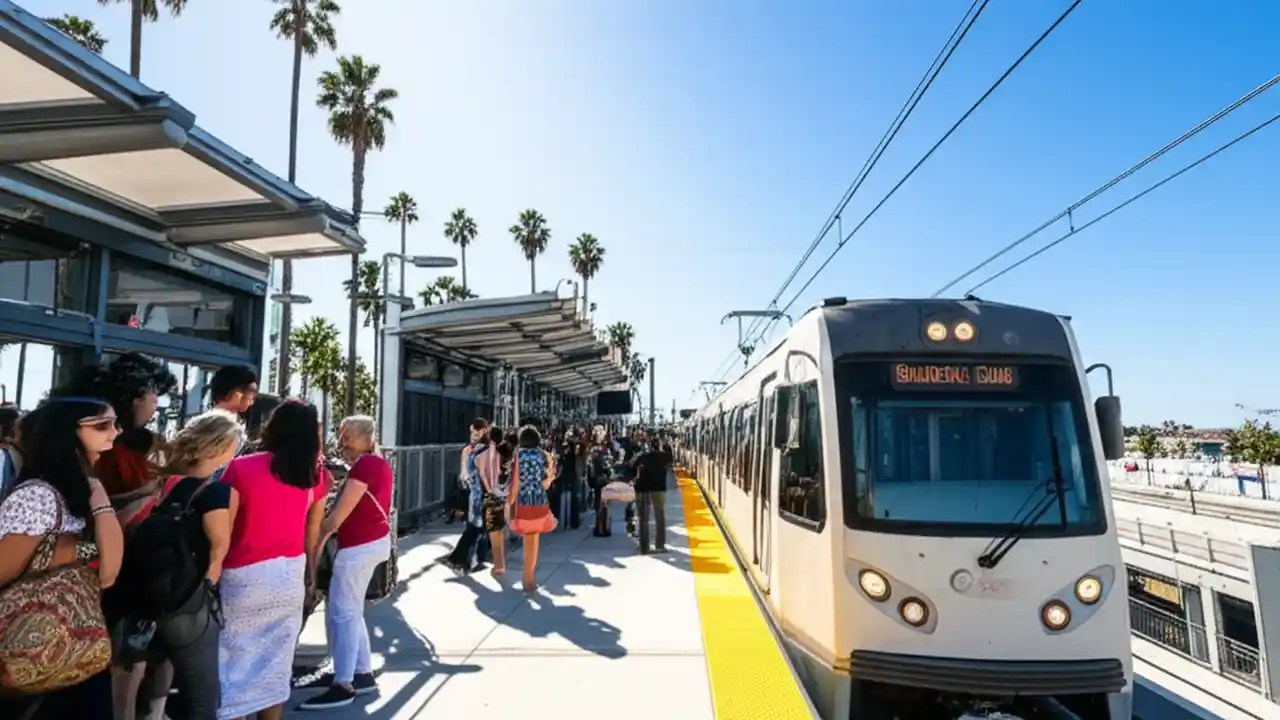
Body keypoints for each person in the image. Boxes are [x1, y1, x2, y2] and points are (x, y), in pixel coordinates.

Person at [0, 396, 125, 720]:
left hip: (72, 651)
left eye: (115, 423)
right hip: (32, 651)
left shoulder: (80, 492)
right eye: (102, 425)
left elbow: (109, 567)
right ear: (66, 433)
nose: (115, 432)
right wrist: (71, 551)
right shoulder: (37, 496)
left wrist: (72, 549)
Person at [120, 409, 243, 720]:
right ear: (222, 446)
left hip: (147, 598)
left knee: (153, 679)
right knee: (202, 699)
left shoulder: (165, 484)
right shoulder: (216, 492)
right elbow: (218, 550)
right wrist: (208, 593)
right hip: (188, 603)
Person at [216, 400, 327, 720]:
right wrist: (310, 575)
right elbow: (313, 530)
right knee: (275, 664)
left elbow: (224, 530)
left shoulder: (241, 468)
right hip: (289, 575)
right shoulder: (313, 475)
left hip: (243, 575)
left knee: (235, 661)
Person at [298, 415, 392, 710]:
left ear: (367, 438)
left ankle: (343, 682)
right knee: (351, 610)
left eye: (348, 435)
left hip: (359, 547)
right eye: (341, 434)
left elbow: (338, 515)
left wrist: (315, 541)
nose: (342, 442)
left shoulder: (364, 466)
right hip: (371, 543)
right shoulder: (377, 464)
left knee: (341, 612)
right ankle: (361, 673)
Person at [443, 419, 498, 574]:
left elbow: (464, 474)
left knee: (475, 527)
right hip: (479, 493)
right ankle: (460, 558)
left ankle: (465, 559)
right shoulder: (482, 450)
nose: (475, 435)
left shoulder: (471, 450)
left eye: (477, 432)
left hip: (474, 493)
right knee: (476, 528)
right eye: (474, 432)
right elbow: (484, 473)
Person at [508, 426, 557, 593]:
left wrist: (511, 502)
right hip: (538, 501)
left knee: (526, 539)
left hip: (522, 501)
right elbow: (547, 483)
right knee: (533, 542)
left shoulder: (517, 456)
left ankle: (527, 579)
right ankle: (529, 580)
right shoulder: (544, 456)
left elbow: (513, 483)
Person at [633, 438, 673, 554]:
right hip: (659, 488)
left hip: (644, 488)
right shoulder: (666, 456)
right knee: (659, 516)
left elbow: (632, 466)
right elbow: (669, 466)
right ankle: (659, 545)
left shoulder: (643, 456)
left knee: (644, 518)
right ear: (660, 445)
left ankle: (643, 545)